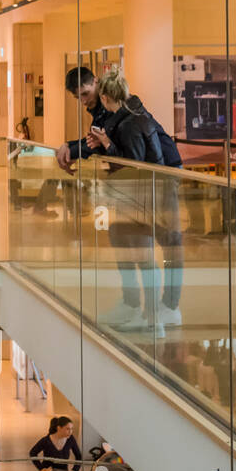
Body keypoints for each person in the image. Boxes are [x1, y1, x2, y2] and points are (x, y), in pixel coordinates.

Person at [87, 67, 185, 335]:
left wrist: (108, 144)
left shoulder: (129, 124)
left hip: (145, 195)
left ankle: (153, 316)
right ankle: (150, 311)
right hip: (153, 191)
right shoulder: (134, 115)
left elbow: (132, 164)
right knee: (142, 249)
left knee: (144, 254)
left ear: (106, 97)